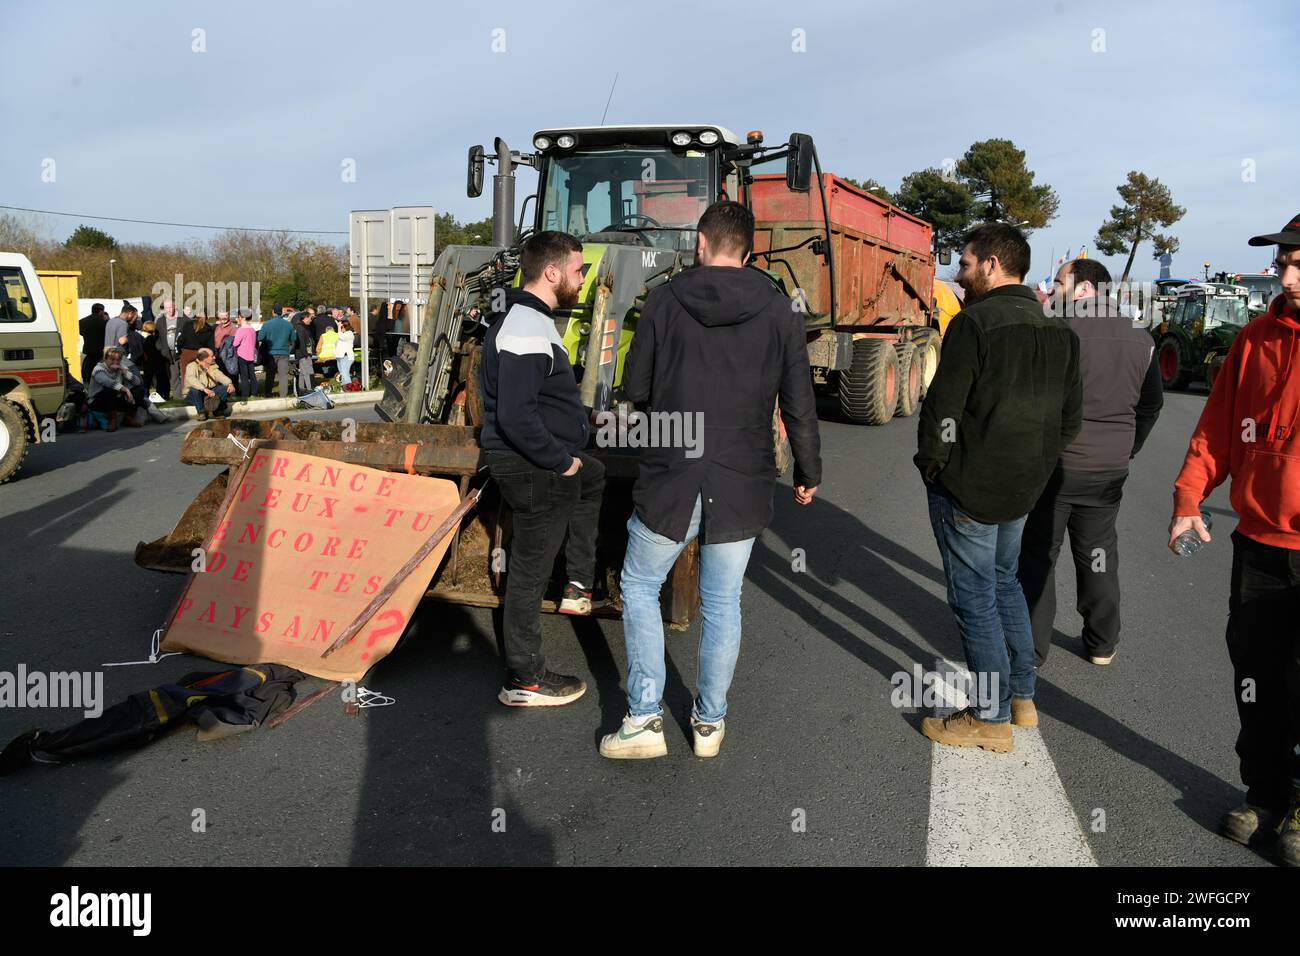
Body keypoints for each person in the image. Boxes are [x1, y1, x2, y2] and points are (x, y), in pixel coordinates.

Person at [599, 201, 822, 760]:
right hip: (743, 476)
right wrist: (808, 470)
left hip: (672, 471)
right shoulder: (779, 311)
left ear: (701, 244)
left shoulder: (663, 300)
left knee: (640, 585)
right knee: (723, 602)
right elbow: (799, 403)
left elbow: (637, 391)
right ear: (748, 252)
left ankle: (645, 718)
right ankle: (708, 725)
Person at [914, 223, 1081, 753]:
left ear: (990, 264)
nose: (957, 276)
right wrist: (1035, 462)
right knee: (1006, 581)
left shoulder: (973, 325)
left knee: (974, 598)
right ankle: (1023, 699)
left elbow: (943, 410)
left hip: (971, 488)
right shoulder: (1061, 332)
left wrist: (933, 465)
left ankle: (989, 716)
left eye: (963, 264)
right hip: (1024, 487)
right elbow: (1070, 420)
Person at [1170, 215, 1300, 867]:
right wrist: (1189, 499)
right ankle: (1268, 797)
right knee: (1259, 679)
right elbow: (1216, 434)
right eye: (1285, 261)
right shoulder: (1254, 341)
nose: (1288, 273)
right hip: (1259, 546)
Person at [1018, 258, 1164, 667]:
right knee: (1097, 553)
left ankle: (1031, 648)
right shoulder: (1142, 336)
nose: (1053, 291)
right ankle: (1102, 642)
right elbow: (1151, 405)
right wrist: (1128, 447)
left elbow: (1033, 402)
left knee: (1040, 555)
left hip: (1058, 467)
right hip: (1109, 469)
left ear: (1084, 289)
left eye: (1060, 283)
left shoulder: (1057, 331)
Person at [479, 231, 603, 707]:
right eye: (577, 270)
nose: (581, 279)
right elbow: (515, 414)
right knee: (528, 575)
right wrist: (561, 460)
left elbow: (541, 395)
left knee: (593, 475)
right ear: (551, 273)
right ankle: (525, 681)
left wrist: (584, 418)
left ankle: (576, 582)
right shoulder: (526, 327)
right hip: (533, 467)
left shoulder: (533, 320)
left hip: (539, 462)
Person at [88, 346, 144, 431]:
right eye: (112, 359)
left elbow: (137, 382)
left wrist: (125, 372)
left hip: (116, 399)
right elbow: (108, 382)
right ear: (105, 359)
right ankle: (112, 420)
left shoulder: (121, 367)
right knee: (110, 390)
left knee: (138, 390)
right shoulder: (98, 369)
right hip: (98, 401)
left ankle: (129, 418)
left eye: (118, 360)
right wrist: (126, 390)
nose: (115, 362)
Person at [184, 347, 234, 421]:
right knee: (195, 389)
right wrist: (204, 389)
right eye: (212, 356)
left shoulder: (212, 366)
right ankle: (201, 413)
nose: (214, 357)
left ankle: (215, 411)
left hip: (209, 392)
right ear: (205, 358)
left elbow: (220, 376)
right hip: (195, 395)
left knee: (225, 388)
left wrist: (230, 383)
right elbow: (192, 379)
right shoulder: (191, 366)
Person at [257, 305, 294, 397]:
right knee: (283, 375)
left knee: (270, 374)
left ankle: (268, 393)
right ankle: (283, 395)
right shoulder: (288, 324)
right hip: (284, 352)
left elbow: (260, 337)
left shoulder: (267, 324)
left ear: (273, 312)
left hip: (271, 353)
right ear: (282, 312)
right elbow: (293, 339)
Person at [154, 299, 185, 400]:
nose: (169, 309)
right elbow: (157, 338)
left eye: (171, 307)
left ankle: (187, 395)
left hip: (182, 350)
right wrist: (161, 349)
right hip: (168, 352)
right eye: (166, 307)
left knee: (185, 373)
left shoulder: (183, 319)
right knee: (173, 376)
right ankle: (178, 397)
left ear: (175, 306)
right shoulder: (160, 321)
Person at [176, 312, 214, 382]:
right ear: (207, 317)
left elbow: (180, 339)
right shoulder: (209, 328)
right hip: (201, 354)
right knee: (199, 376)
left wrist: (178, 352)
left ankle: (186, 392)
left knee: (186, 376)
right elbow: (211, 345)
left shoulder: (188, 324)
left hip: (186, 353)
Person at [232, 309, 258, 400]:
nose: (237, 318)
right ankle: (254, 393)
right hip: (251, 355)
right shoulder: (252, 329)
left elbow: (235, 344)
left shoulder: (240, 330)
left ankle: (245, 394)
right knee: (252, 375)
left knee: (244, 377)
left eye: (238, 317)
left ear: (242, 317)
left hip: (242, 355)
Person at [78, 303, 108, 384]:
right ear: (101, 311)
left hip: (87, 350)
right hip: (99, 351)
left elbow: (80, 332)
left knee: (87, 372)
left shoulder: (82, 321)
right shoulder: (104, 322)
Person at [291, 311, 315, 393]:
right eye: (310, 318)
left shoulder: (302, 326)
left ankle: (301, 389)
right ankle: (309, 389)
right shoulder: (300, 328)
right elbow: (301, 342)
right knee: (307, 372)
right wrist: (306, 354)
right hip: (303, 354)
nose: (311, 320)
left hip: (302, 353)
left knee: (302, 372)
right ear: (306, 318)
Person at [335, 317, 356, 387]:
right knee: (342, 372)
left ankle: (348, 386)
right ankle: (344, 386)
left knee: (345, 373)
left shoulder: (349, 333)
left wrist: (338, 328)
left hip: (346, 357)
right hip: (340, 356)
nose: (341, 329)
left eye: (341, 327)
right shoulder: (342, 333)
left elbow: (342, 337)